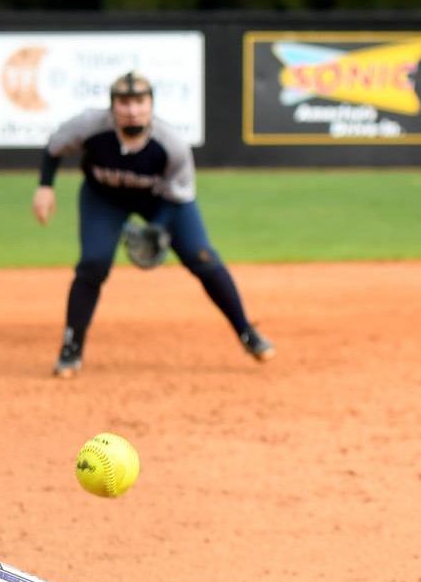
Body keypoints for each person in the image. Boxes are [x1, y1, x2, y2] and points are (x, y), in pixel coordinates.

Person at [32, 72, 273, 377]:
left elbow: (179, 196)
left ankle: (246, 332)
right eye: (124, 102)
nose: (132, 110)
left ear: (151, 105)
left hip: (162, 202)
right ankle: (71, 347)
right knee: (93, 263)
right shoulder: (89, 126)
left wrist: (157, 227)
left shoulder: (171, 144)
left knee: (202, 256)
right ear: (112, 107)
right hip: (104, 198)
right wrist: (45, 186)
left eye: (139, 102)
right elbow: (54, 148)